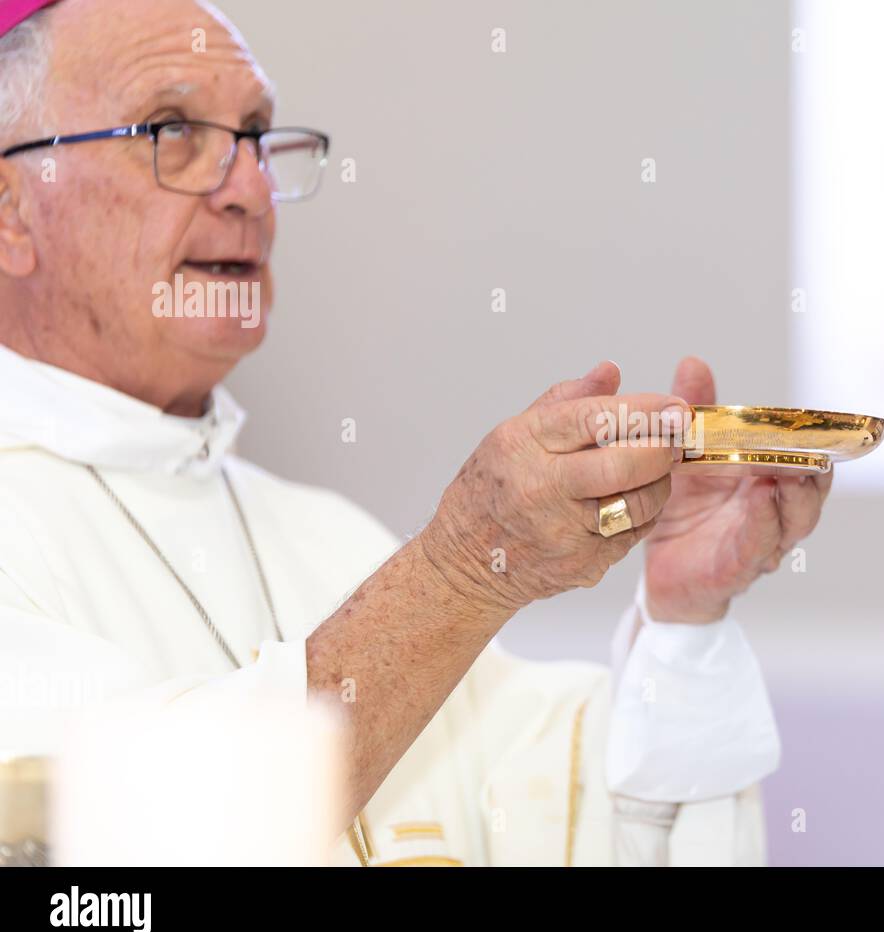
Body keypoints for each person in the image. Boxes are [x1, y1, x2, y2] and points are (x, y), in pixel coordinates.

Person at [0, 0, 832, 865]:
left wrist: (682, 621)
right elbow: (111, 847)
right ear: (11, 208)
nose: (249, 189)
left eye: (254, 134)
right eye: (172, 130)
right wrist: (465, 569)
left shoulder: (327, 537)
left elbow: (572, 817)